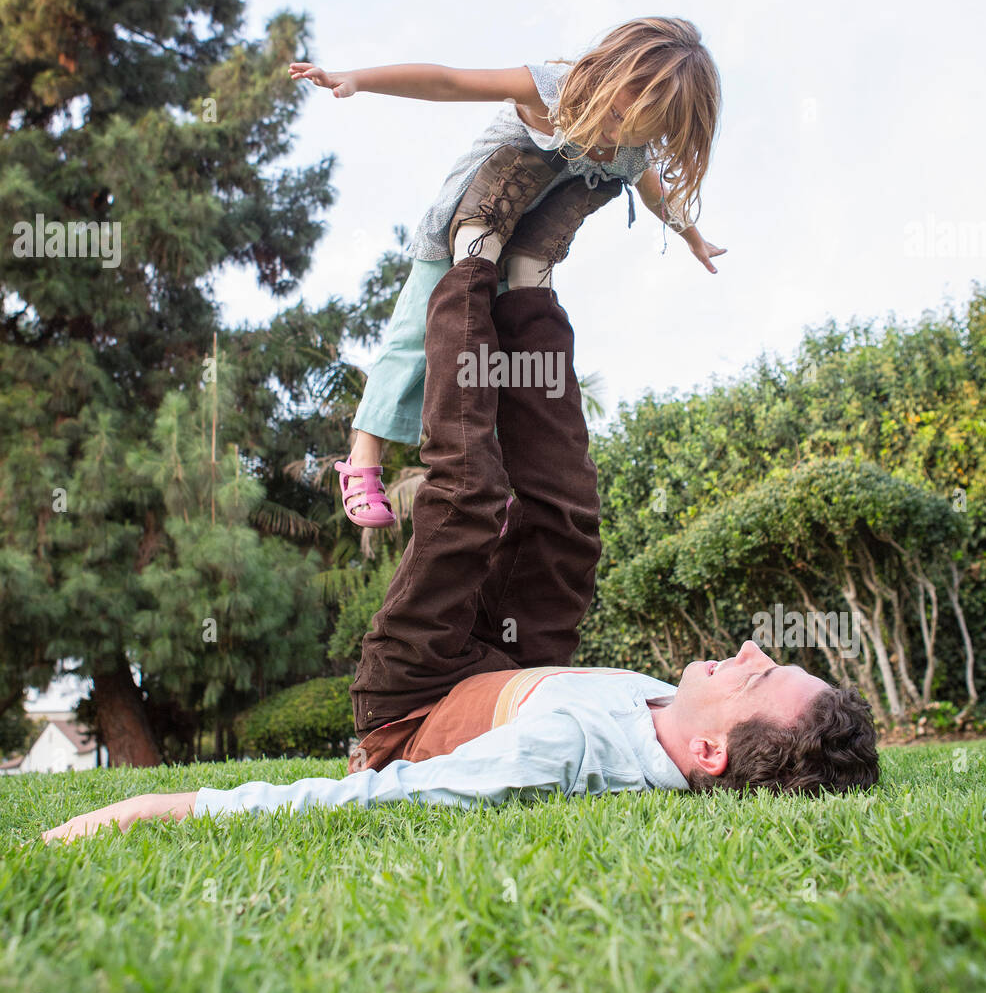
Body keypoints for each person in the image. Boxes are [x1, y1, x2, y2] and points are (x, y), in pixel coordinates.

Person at [39, 257, 879, 845]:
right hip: (512, 665)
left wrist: (157, 807)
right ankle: (529, 288)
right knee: (566, 523)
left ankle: (471, 268)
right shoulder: (676, 711)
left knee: (471, 499)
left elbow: (374, 797)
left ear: (709, 754)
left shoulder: (558, 756)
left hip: (416, 706)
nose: (751, 649)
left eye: (761, 676)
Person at [288, 15, 727, 527]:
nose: (617, 134)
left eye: (638, 130)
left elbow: (657, 195)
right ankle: (363, 458)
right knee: (414, 337)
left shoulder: (630, 151)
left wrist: (692, 236)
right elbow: (448, 81)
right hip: (460, 232)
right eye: (615, 115)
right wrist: (358, 79)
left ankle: (505, 480)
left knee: (500, 364)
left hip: (521, 254)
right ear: (609, 75)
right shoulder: (552, 89)